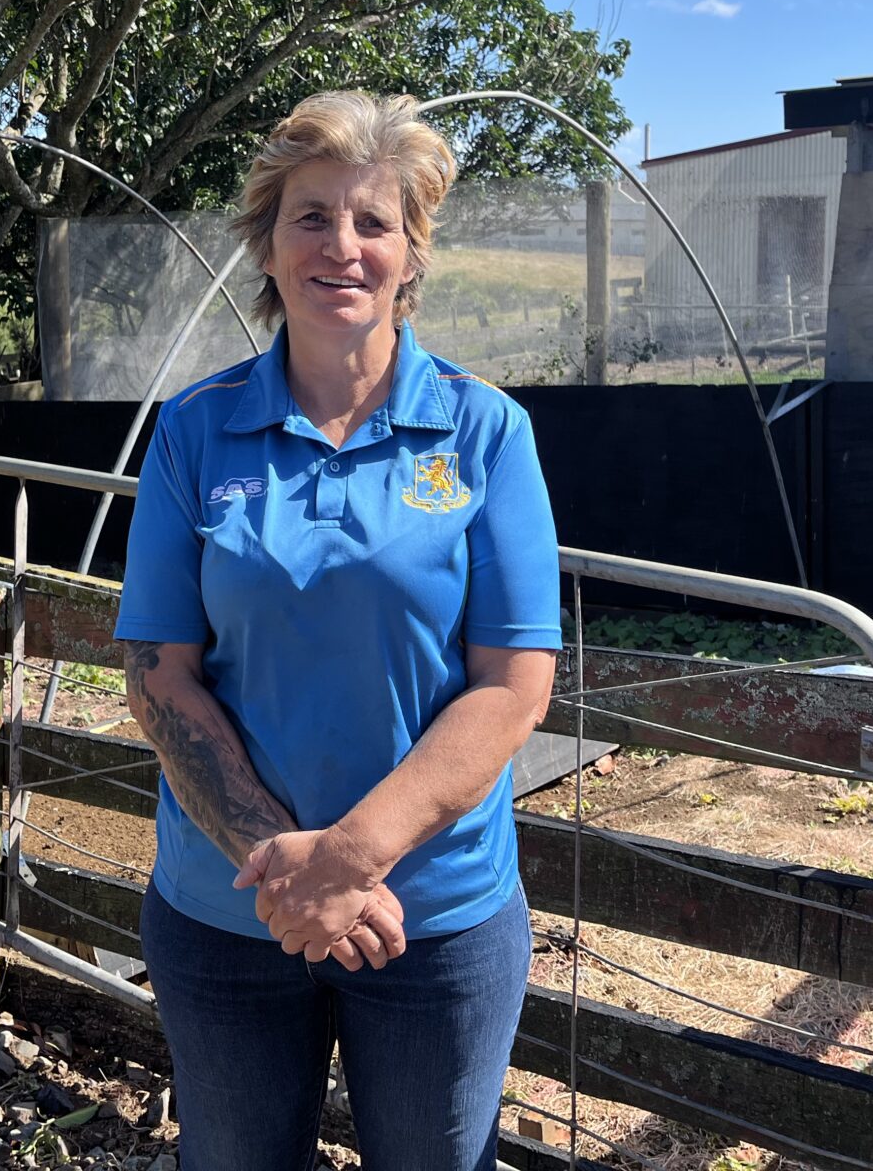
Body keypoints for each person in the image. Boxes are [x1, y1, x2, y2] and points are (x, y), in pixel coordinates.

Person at [114, 91, 563, 1171]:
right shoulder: (193, 430)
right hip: (229, 912)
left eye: (373, 221)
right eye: (309, 217)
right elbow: (158, 673)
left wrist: (353, 860)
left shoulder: (485, 431)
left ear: (411, 255)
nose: (341, 246)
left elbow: (513, 685)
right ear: (267, 246)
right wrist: (282, 871)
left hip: (432, 918)